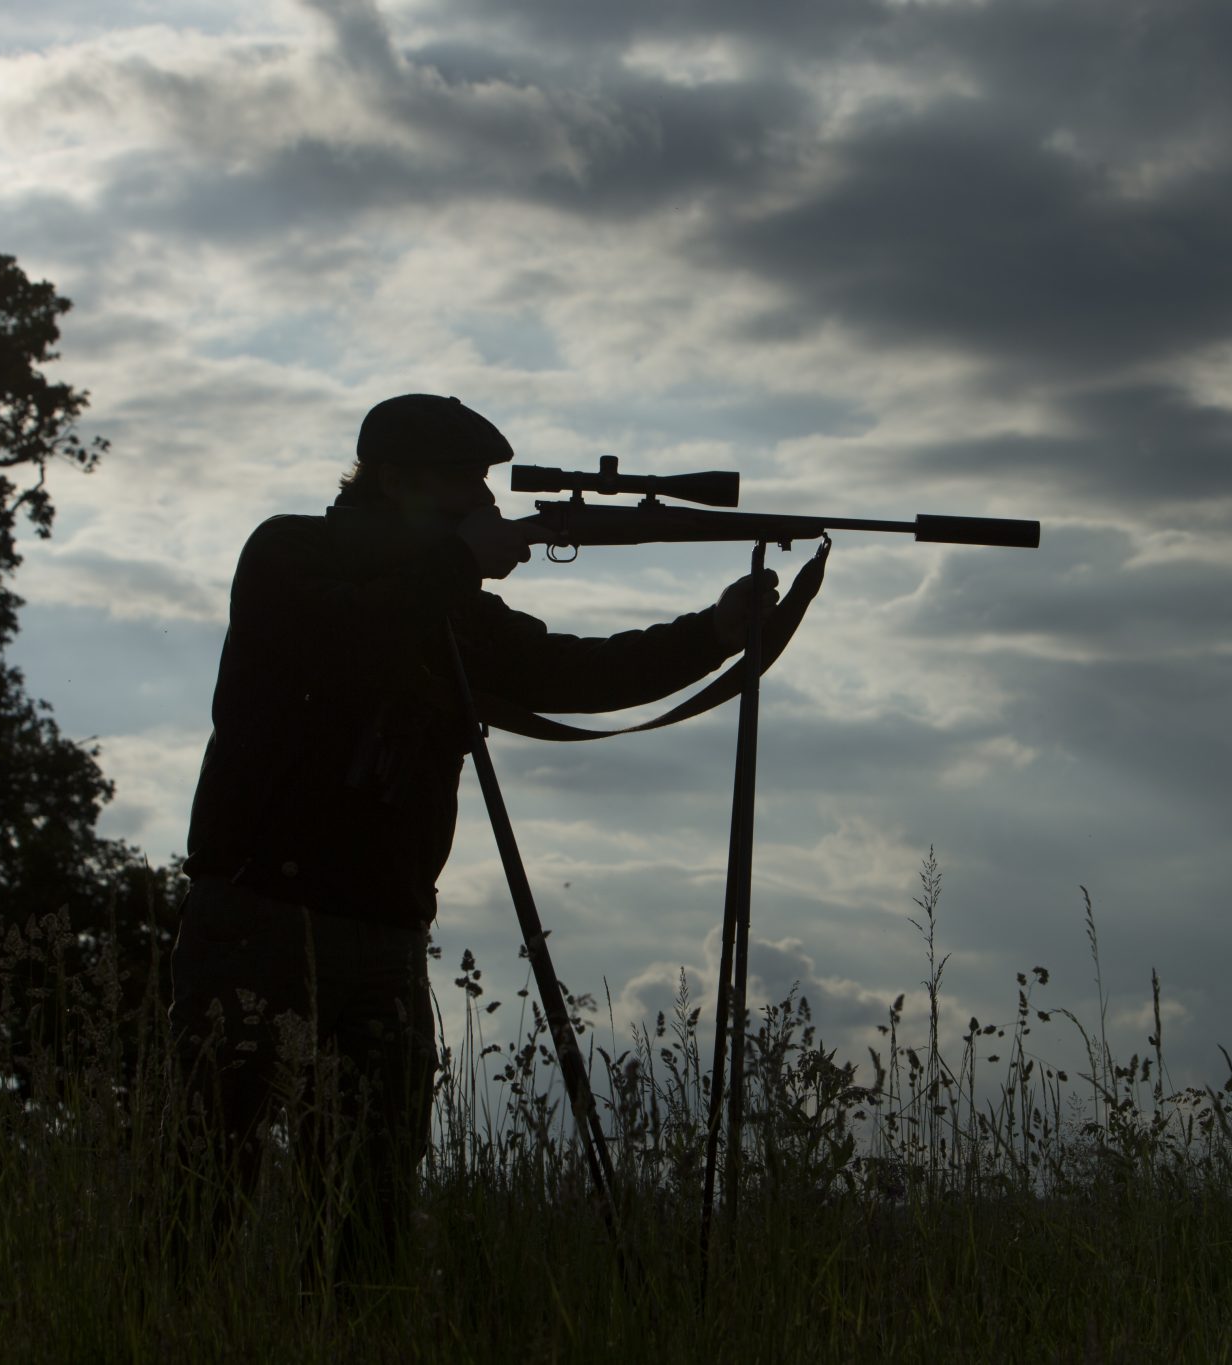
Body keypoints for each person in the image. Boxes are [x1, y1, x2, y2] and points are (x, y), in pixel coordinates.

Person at [166, 393, 777, 1286]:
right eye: (465, 484)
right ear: (399, 481)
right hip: (256, 916)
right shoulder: (290, 552)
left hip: (383, 930)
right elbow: (347, 634)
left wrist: (714, 634)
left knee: (367, 1201)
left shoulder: (443, 603)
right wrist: (455, 563)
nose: (484, 501)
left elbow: (569, 670)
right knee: (204, 1180)